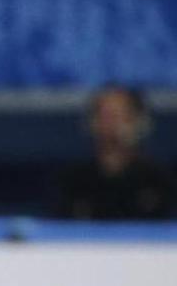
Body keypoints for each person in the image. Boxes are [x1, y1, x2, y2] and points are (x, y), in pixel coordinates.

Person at [55, 85, 175, 219]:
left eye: (121, 115)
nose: (112, 123)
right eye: (105, 115)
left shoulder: (160, 181)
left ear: (140, 122)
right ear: (91, 122)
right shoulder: (72, 182)